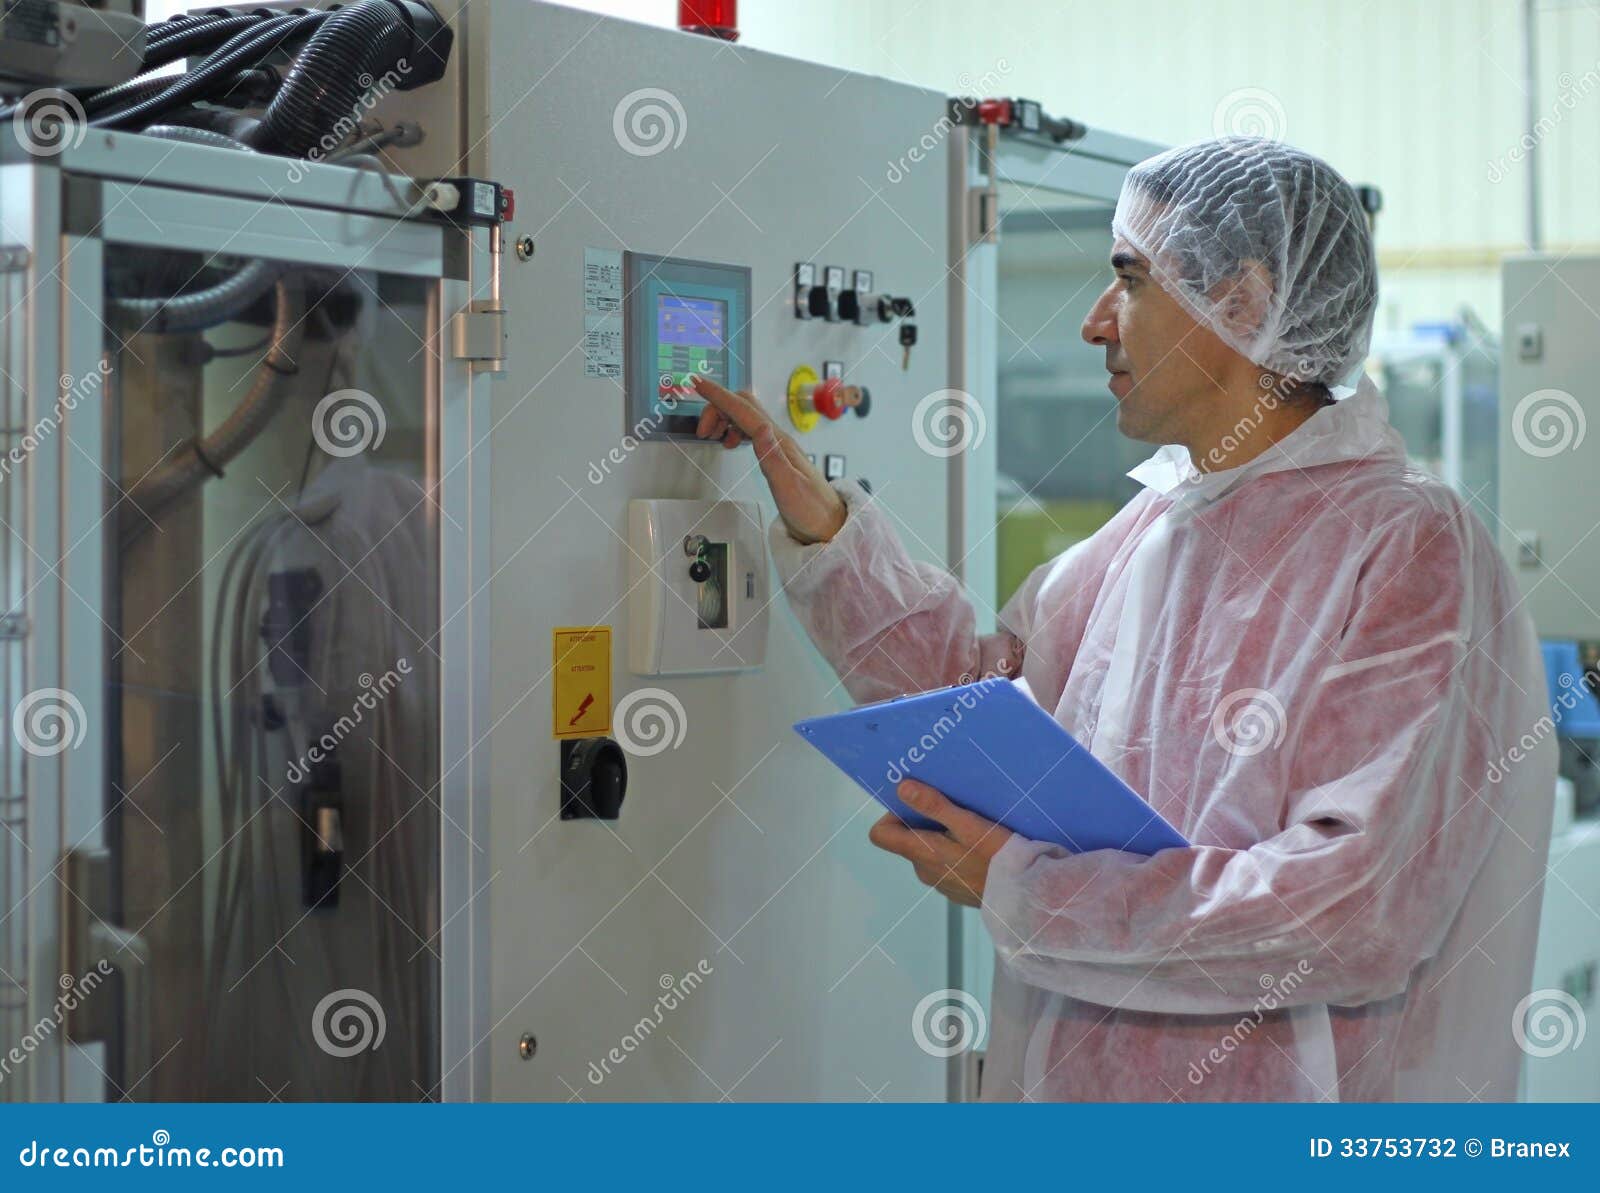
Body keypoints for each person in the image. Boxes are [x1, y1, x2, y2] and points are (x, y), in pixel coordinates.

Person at [690, 136, 1555, 1102]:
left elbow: (1353, 906)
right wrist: (826, 525)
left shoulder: (1409, 546)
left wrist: (1028, 892)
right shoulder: (1159, 525)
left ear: (1245, 302)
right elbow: (984, 706)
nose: (1096, 320)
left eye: (1130, 279)